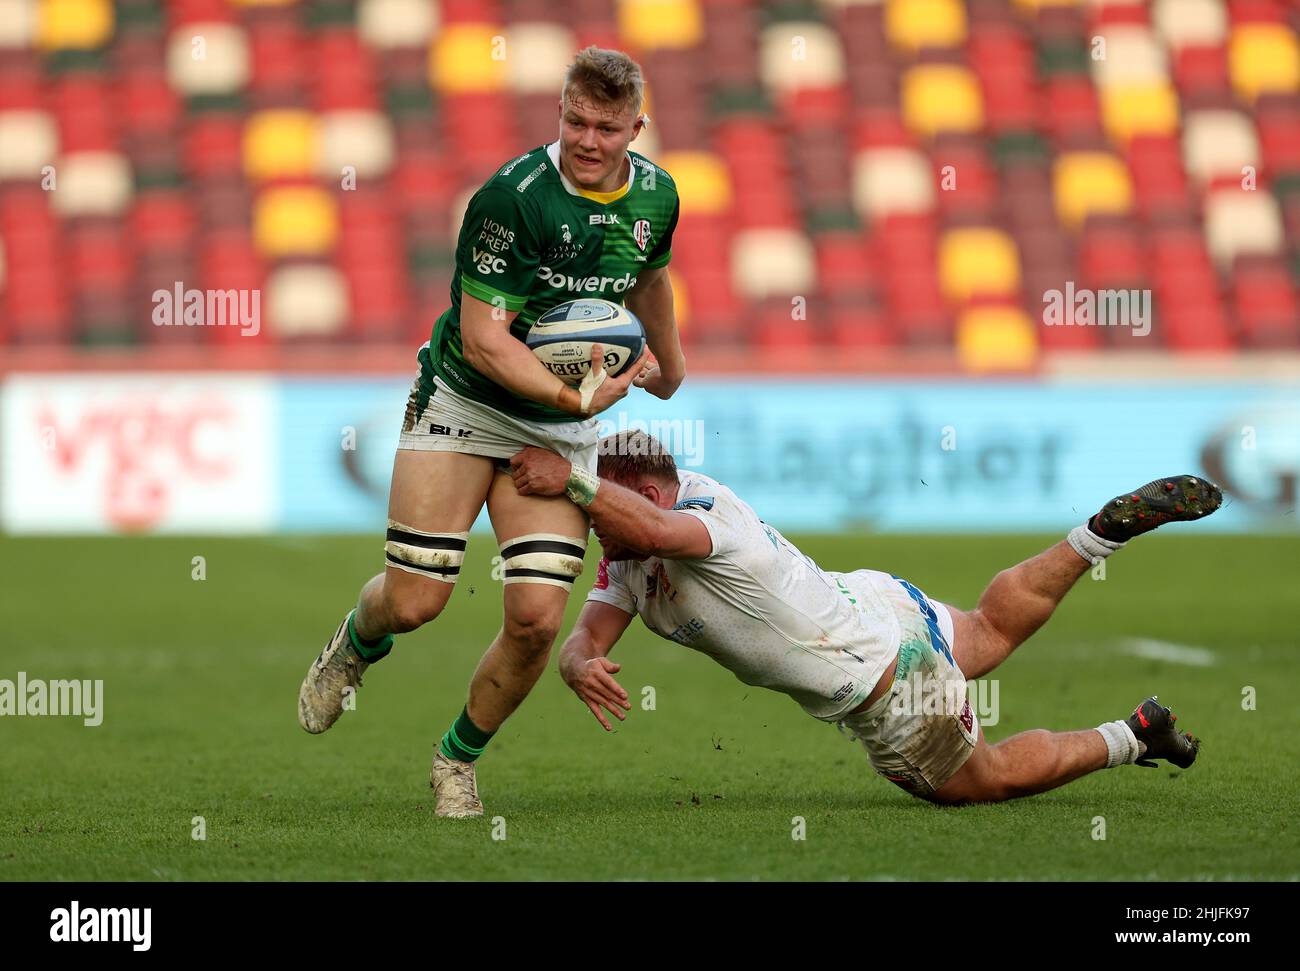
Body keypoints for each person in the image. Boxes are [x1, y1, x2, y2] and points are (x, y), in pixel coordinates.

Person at [297, 48, 685, 819]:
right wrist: (573, 402)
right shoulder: (512, 198)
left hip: (555, 420)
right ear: (561, 112)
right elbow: (484, 339)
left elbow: (648, 276)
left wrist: (669, 363)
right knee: (415, 601)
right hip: (467, 401)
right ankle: (354, 641)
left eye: (607, 128)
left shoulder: (658, 197)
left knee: (538, 619)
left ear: (636, 128)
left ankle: (455, 761)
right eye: (575, 119)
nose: (587, 139)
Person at [508, 431, 1221, 803]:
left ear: (653, 494)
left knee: (988, 780)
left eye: (604, 507)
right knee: (986, 632)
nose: (595, 524)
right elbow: (589, 630)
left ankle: (1135, 734)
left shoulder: (699, 516)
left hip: (883, 678)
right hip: (873, 602)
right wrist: (576, 661)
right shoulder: (630, 548)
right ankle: (1100, 533)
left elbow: (664, 537)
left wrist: (571, 479)